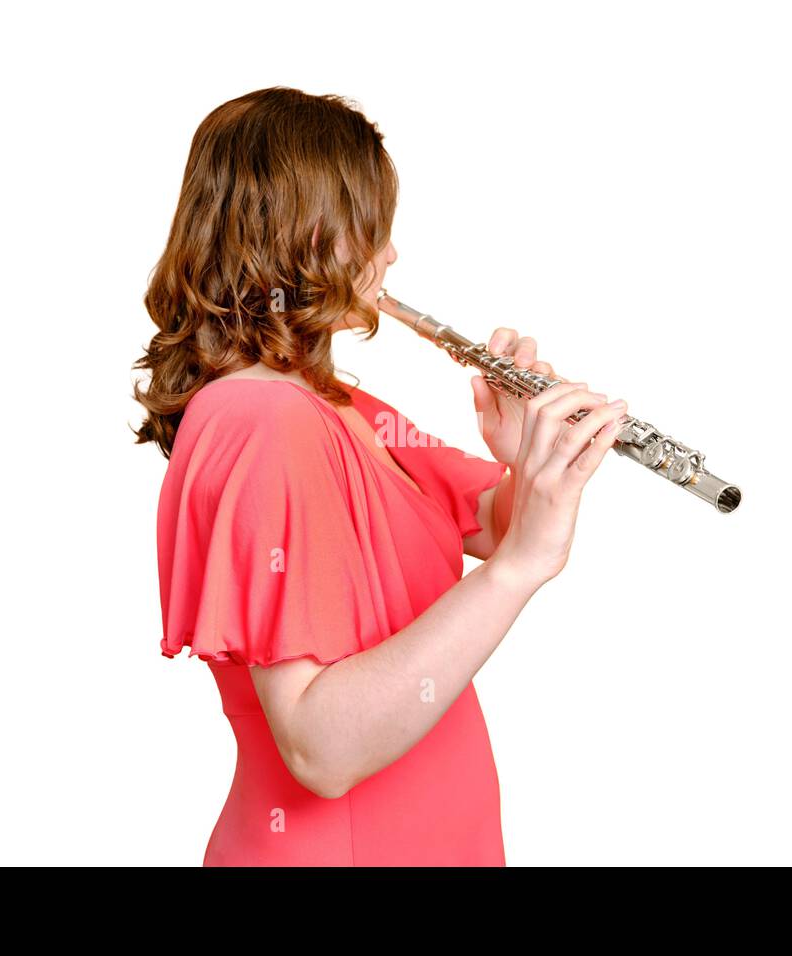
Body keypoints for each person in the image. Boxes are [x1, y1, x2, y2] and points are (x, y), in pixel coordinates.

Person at [132, 87, 627, 866]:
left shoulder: (337, 404)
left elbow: (499, 522)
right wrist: (520, 570)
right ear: (306, 234)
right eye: (372, 226)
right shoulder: (262, 420)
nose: (390, 254)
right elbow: (319, 749)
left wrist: (528, 455)